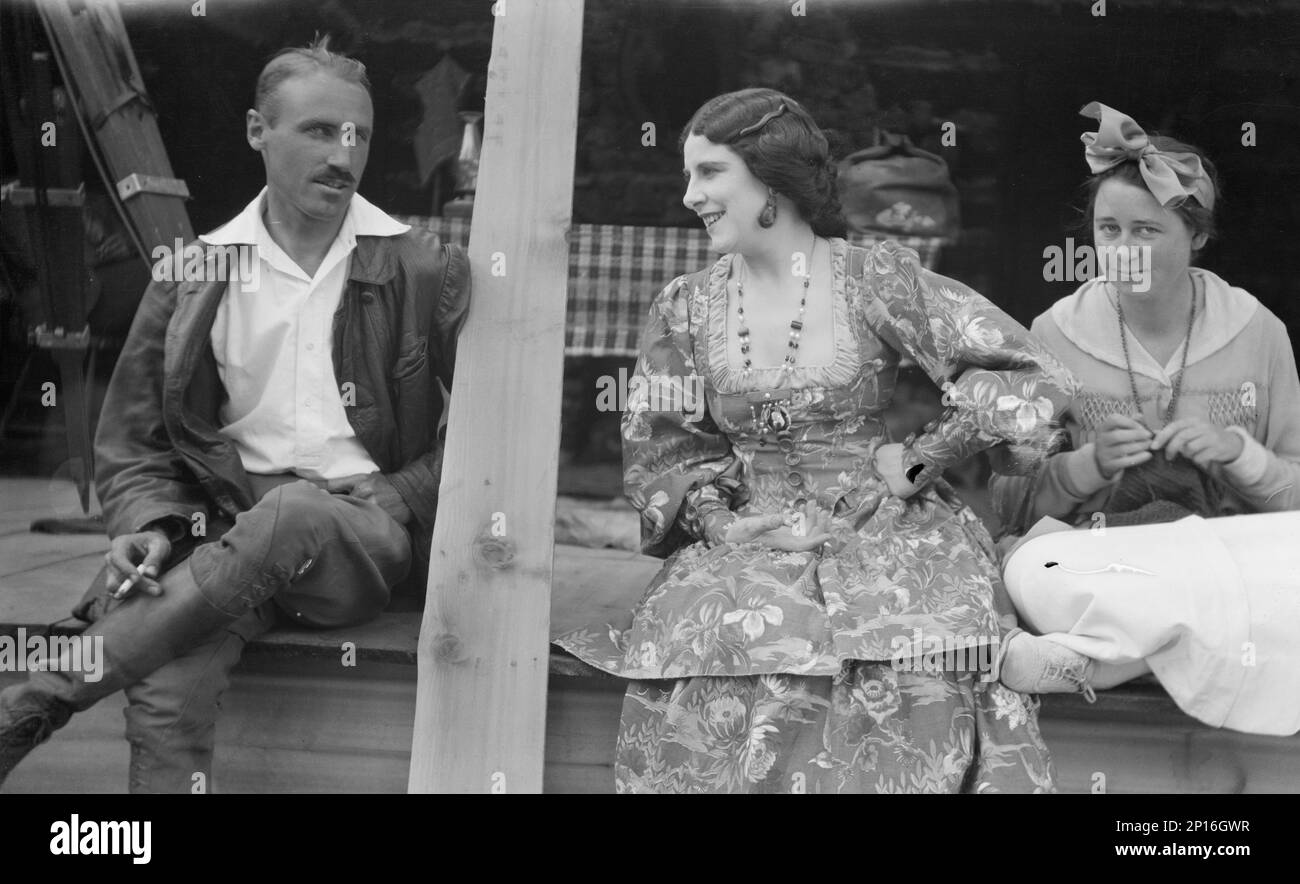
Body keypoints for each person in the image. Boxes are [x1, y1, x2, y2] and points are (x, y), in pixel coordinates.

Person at [553, 88, 1078, 792]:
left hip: (883, 520)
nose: (689, 195)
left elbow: (1028, 373)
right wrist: (721, 522)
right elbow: (664, 446)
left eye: (710, 173)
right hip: (751, 531)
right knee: (726, 641)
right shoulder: (686, 305)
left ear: (771, 176)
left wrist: (926, 458)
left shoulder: (874, 279)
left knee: (910, 645)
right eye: (688, 175)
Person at [0, 36, 470, 791]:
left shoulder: (420, 265)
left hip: (356, 542)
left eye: (359, 135)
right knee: (165, 687)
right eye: (319, 130)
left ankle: (38, 701)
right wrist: (149, 528)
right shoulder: (196, 273)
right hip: (223, 535)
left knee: (294, 511)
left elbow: (495, 435)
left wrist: (408, 490)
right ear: (258, 131)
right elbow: (134, 442)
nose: (343, 156)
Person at [991, 103, 1300, 734]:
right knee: (1030, 566)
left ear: (1199, 236)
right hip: (1106, 560)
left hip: (1227, 557)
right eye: (1109, 231)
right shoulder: (1053, 333)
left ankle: (1098, 661)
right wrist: (1087, 465)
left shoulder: (1257, 330)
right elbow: (1011, 502)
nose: (1123, 250)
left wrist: (1241, 456)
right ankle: (1179, 645)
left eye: (1147, 231)